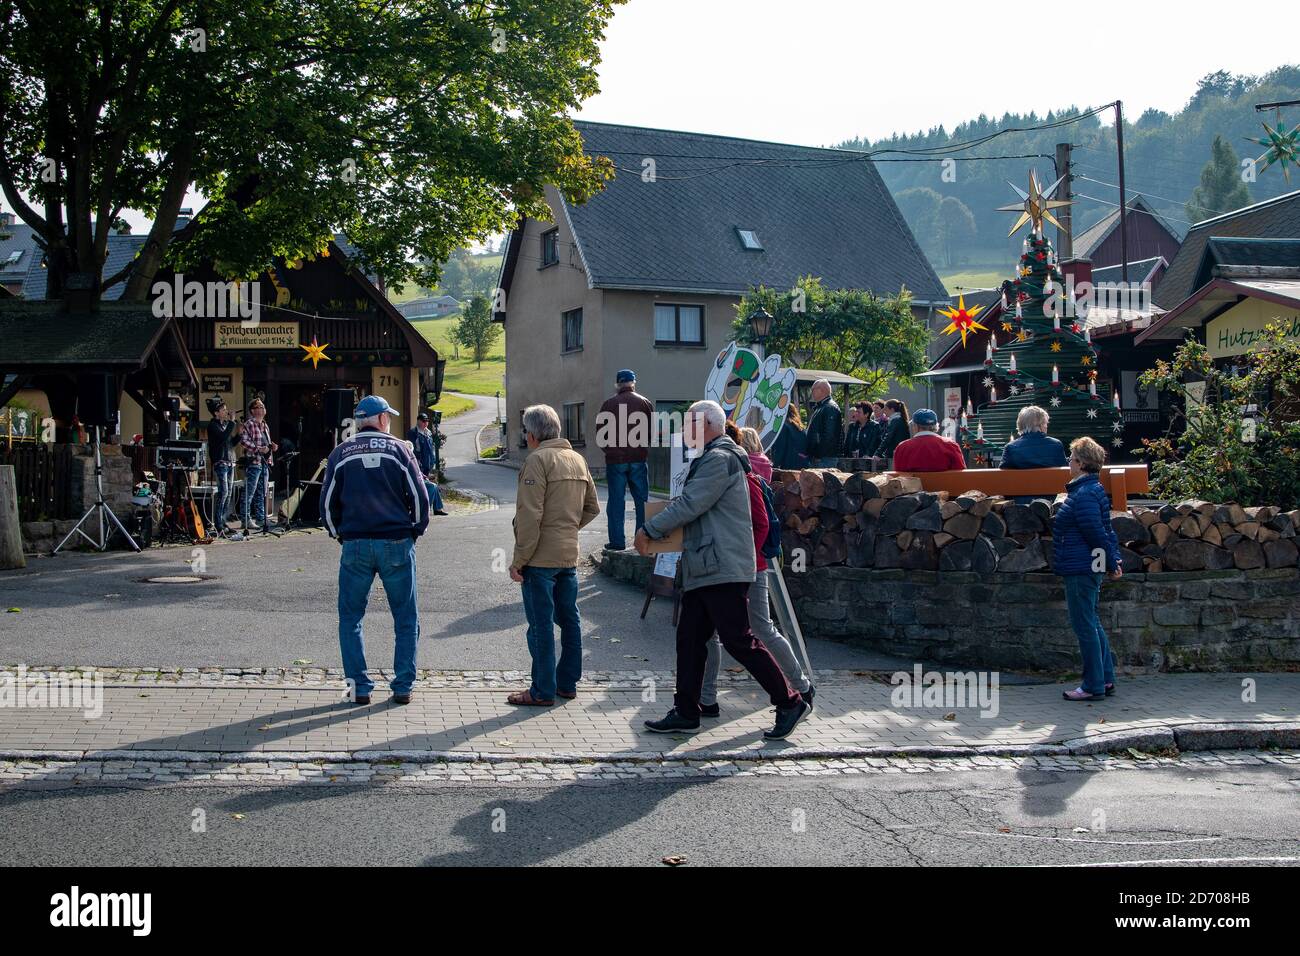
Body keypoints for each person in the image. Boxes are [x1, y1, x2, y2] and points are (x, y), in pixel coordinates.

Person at [635, 400, 808, 740]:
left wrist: (650, 530)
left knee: (738, 640)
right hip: (709, 564)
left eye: (689, 424)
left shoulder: (719, 458)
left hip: (723, 565)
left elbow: (691, 504)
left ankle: (790, 701)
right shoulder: (715, 457)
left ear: (707, 425)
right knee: (690, 639)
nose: (685, 431)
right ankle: (687, 710)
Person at [320, 395, 429, 706]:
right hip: (396, 542)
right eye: (389, 416)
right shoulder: (400, 449)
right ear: (382, 419)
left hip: (355, 544)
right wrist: (415, 531)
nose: (390, 420)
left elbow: (326, 504)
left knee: (350, 618)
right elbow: (421, 499)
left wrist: (339, 534)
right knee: (406, 617)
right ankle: (403, 686)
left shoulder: (340, 453)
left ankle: (360, 688)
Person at [698, 426, 815, 716]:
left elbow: (761, 524)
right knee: (709, 633)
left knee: (759, 629)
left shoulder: (745, 478)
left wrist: (744, 558)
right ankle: (707, 699)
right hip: (725, 566)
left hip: (749, 566)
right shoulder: (722, 476)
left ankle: (800, 687)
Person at [508, 404, 600, 706]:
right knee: (570, 620)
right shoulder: (577, 459)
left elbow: (529, 516)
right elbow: (592, 508)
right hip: (568, 555)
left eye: (525, 430)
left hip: (539, 558)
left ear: (532, 434)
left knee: (541, 625)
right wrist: (568, 528)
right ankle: (567, 683)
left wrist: (519, 560)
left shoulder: (537, 461)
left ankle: (541, 690)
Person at [1053, 436, 1122, 702]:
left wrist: (1110, 561)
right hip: (1087, 564)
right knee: (1092, 622)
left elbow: (1095, 531)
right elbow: (1106, 530)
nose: (1069, 463)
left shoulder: (1082, 495)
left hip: (1080, 565)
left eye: (1071, 459)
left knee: (1084, 625)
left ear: (1081, 463)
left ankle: (1092, 684)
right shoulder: (1092, 490)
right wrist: (1112, 559)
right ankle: (1104, 679)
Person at [597, 369, 654, 551]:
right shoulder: (645, 403)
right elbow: (650, 432)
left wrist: (610, 451)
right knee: (641, 502)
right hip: (638, 458)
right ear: (633, 383)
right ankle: (642, 541)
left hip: (616, 460)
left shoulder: (608, 404)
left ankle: (617, 541)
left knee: (616, 501)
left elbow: (601, 435)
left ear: (617, 384)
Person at [239, 398, 277, 533]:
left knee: (262, 492)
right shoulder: (249, 424)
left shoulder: (265, 425)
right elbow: (243, 441)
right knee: (250, 492)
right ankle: (246, 519)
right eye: (258, 407)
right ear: (252, 411)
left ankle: (261, 517)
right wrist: (259, 449)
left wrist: (272, 446)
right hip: (254, 461)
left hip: (265, 462)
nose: (262, 409)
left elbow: (266, 442)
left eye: (263, 407)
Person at [891, 408, 967, 472]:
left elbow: (898, 476)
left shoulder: (902, 447)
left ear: (915, 426)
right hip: (945, 489)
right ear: (936, 426)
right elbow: (960, 474)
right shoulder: (951, 445)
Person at [205, 401, 241, 537]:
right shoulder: (212, 426)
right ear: (216, 413)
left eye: (226, 409)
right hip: (220, 462)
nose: (226, 411)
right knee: (223, 492)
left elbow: (230, 443)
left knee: (229, 493)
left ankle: (224, 522)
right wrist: (232, 422)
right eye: (223, 410)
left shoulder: (225, 425)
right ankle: (218, 524)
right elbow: (222, 437)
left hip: (230, 461)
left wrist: (239, 434)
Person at [999, 405, 1068, 469]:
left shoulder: (1010, 447)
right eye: (1046, 423)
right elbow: (1065, 471)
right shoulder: (1056, 444)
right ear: (1041, 424)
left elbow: (1003, 475)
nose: (1047, 426)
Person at [408, 411, 449, 515]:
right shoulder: (413, 433)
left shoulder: (428, 433)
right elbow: (412, 450)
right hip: (419, 465)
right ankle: (425, 509)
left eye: (427, 421)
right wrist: (417, 463)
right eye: (423, 421)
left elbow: (431, 448)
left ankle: (437, 508)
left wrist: (433, 461)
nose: (425, 423)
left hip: (428, 464)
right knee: (426, 487)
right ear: (418, 421)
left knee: (431, 485)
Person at [804, 379, 843, 467]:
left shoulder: (830, 407)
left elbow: (829, 435)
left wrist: (818, 454)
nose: (812, 392)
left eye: (813, 389)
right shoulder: (821, 407)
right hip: (819, 457)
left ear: (821, 390)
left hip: (825, 458)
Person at [769, 403, 808, 470]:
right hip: (801, 463)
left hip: (788, 465)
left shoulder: (783, 426)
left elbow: (780, 448)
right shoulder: (800, 427)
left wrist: (775, 466)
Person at [873, 398, 911, 463]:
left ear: (892, 409)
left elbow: (888, 438)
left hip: (894, 454)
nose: (884, 412)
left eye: (885, 409)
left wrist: (878, 453)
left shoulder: (895, 420)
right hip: (901, 452)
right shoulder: (901, 419)